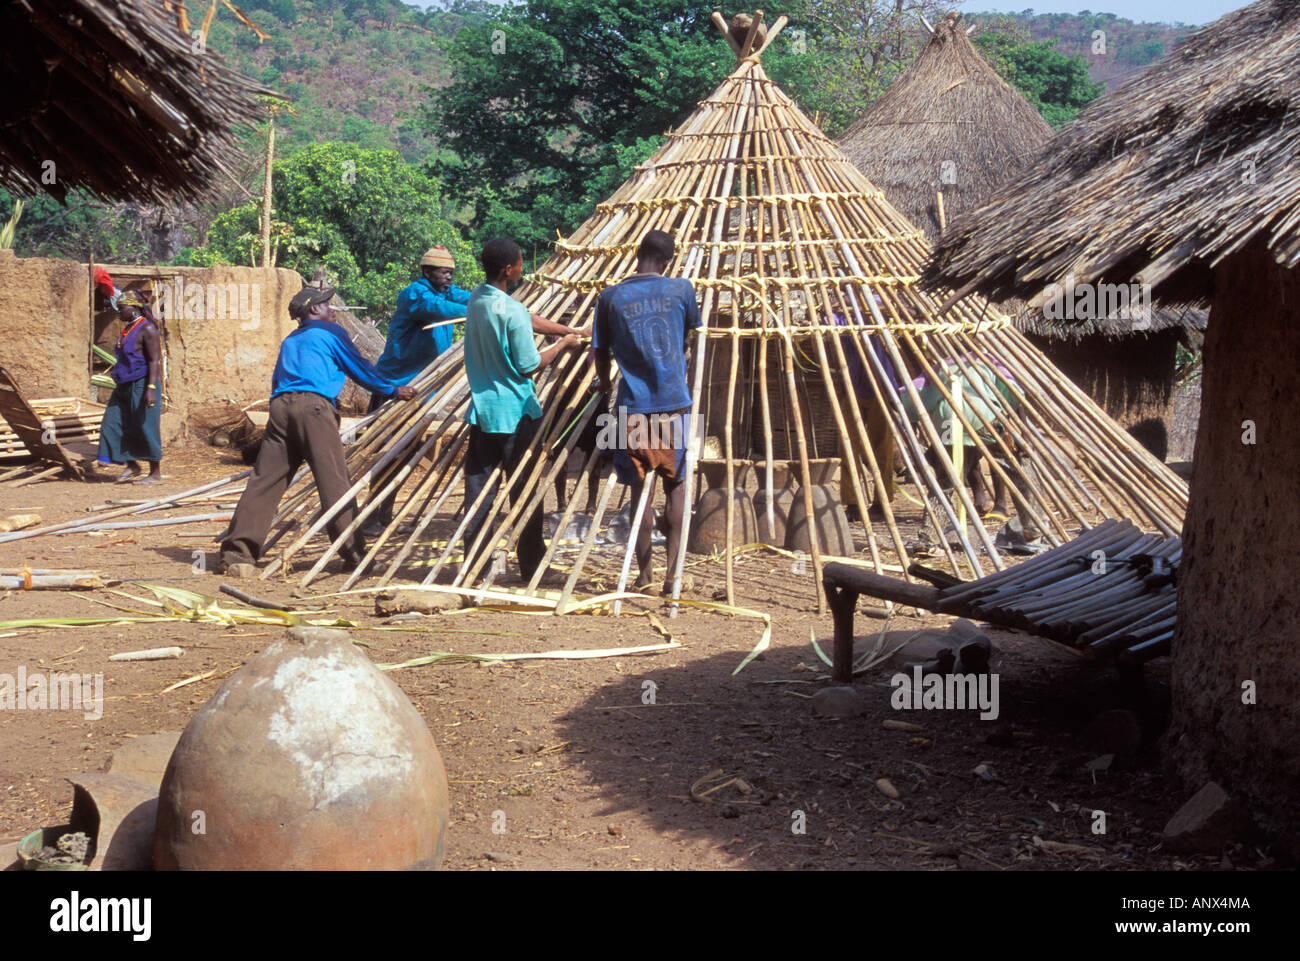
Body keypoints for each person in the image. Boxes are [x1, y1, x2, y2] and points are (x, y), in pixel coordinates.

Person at [218, 286, 416, 577]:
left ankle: (237, 556)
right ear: (314, 310)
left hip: (281, 408)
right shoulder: (330, 333)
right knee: (334, 481)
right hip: (313, 409)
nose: (333, 310)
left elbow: (277, 381)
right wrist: (392, 390)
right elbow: (359, 368)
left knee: (264, 481)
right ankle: (355, 556)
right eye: (327, 305)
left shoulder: (291, 341)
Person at [462, 237, 580, 582]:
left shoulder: (478, 300)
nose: (522, 267)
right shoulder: (510, 310)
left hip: (483, 413)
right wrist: (562, 345)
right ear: (507, 270)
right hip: (516, 414)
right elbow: (530, 365)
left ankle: (475, 567)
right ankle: (531, 565)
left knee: (478, 495)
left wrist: (567, 329)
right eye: (519, 263)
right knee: (525, 492)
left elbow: (528, 318)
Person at [592, 229, 702, 595]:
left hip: (632, 408)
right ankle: (674, 575)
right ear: (668, 261)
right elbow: (688, 337)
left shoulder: (610, 297)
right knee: (677, 488)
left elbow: (600, 353)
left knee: (640, 493)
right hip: (675, 404)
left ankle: (644, 576)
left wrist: (605, 383)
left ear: (637, 255)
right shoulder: (681, 290)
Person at [97, 290, 163, 484]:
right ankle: (132, 465)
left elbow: (154, 361)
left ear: (134, 309)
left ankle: (155, 473)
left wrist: (150, 388)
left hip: (142, 384)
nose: (118, 312)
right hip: (124, 385)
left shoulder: (148, 329)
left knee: (146, 425)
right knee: (112, 422)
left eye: (122, 308)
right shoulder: (128, 329)